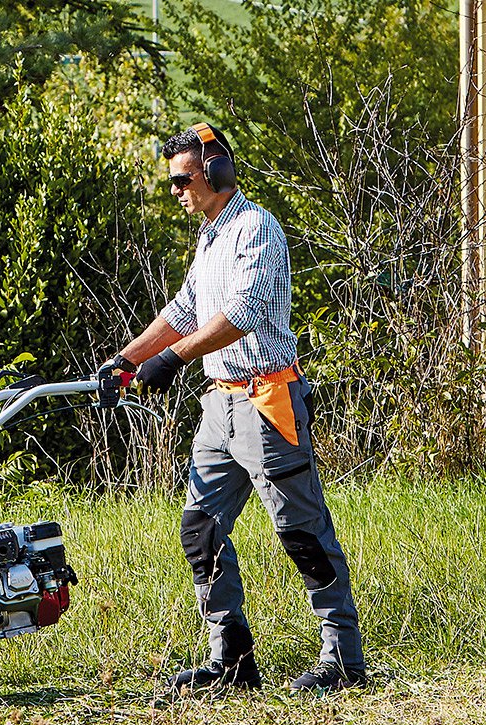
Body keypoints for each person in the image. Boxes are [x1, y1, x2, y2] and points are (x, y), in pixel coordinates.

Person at [103, 123, 366, 692]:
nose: (175, 191)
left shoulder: (256, 230)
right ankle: (233, 660)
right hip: (219, 405)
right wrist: (126, 360)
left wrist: (169, 361)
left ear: (216, 171)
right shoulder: (210, 237)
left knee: (301, 533)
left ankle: (342, 659)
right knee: (199, 529)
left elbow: (239, 315)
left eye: (182, 179)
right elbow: (187, 308)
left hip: (267, 400)